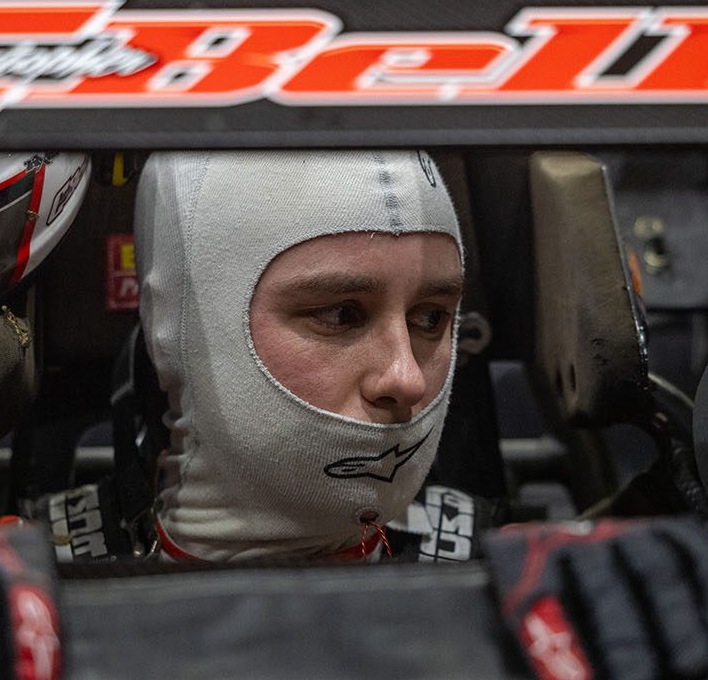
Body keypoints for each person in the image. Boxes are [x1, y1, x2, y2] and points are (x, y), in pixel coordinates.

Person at [134, 149, 465, 562]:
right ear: (179, 332)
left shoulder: (516, 575)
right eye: (339, 315)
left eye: (431, 318)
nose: (407, 379)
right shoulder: (61, 582)